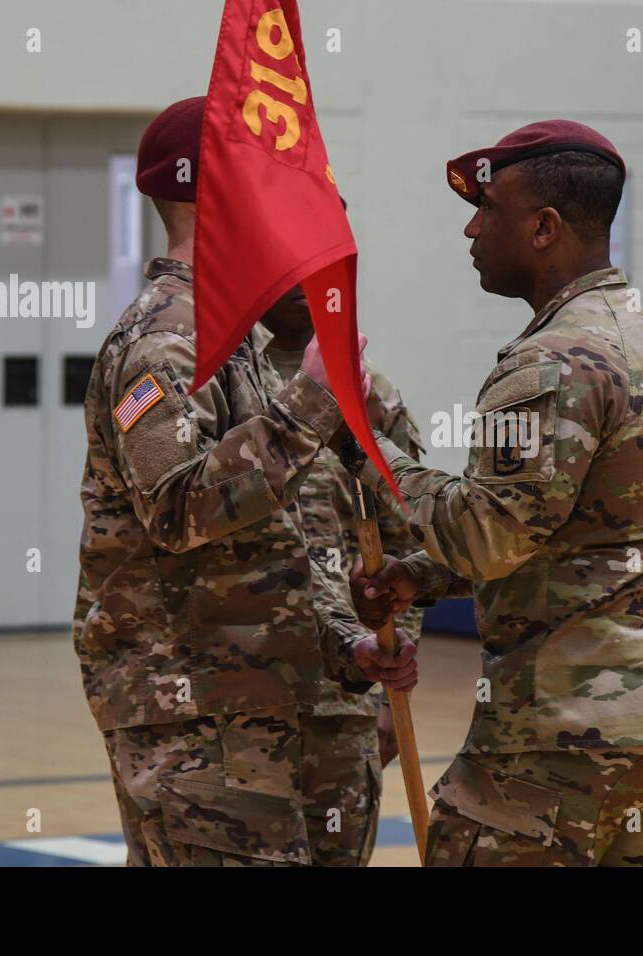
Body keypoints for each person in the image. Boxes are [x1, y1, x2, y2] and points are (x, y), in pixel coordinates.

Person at [345, 120, 643, 867]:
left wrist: (368, 453)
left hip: (573, 735)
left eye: (488, 208)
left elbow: (490, 535)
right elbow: (577, 531)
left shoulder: (550, 361)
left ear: (543, 227)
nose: (471, 227)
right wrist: (419, 577)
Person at [71, 96, 416, 867]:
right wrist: (312, 403)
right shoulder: (165, 338)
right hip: (199, 719)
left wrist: (348, 645)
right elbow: (178, 510)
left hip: (293, 703)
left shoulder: (248, 339)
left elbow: (289, 542)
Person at [256, 261, 427, 866]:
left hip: (341, 699)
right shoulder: (221, 379)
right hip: (239, 696)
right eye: (292, 270)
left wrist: (386, 691)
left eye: (324, 273)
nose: (310, 289)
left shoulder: (363, 387)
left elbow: (410, 538)